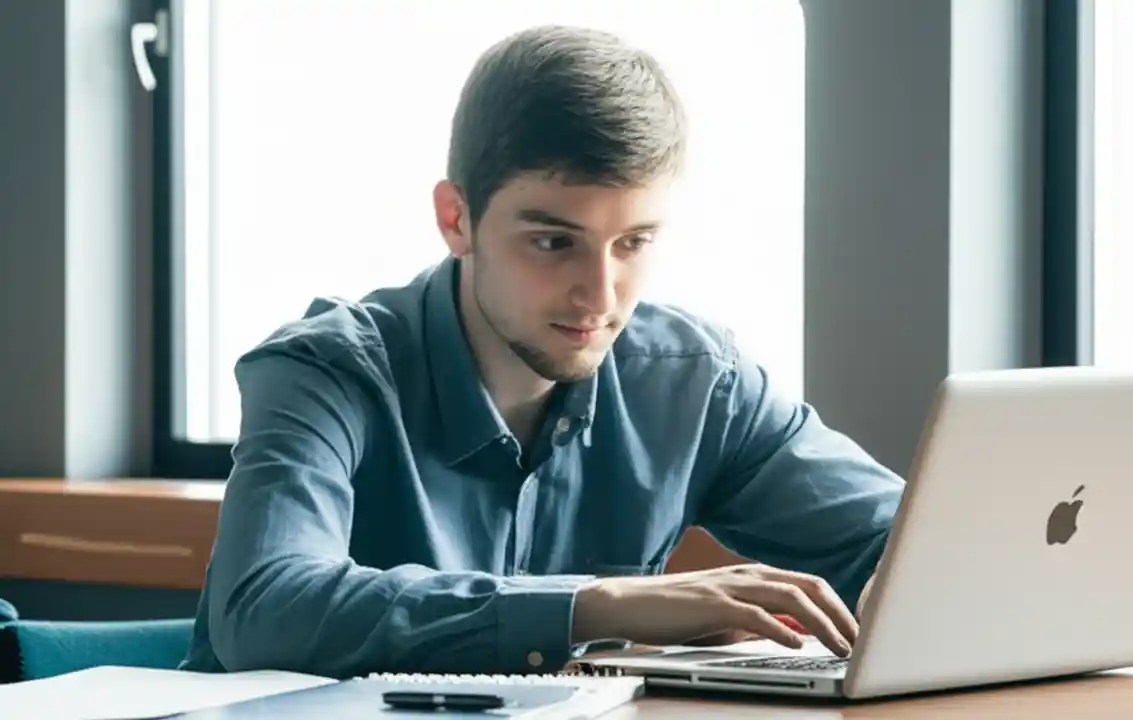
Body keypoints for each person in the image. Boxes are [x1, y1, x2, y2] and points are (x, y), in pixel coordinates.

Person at [182, 25, 904, 678]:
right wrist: (598, 606)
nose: (600, 294)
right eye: (554, 242)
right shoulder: (323, 372)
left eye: (633, 243)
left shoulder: (696, 384)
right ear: (455, 219)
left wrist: (905, 593)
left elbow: (912, 544)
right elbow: (266, 609)